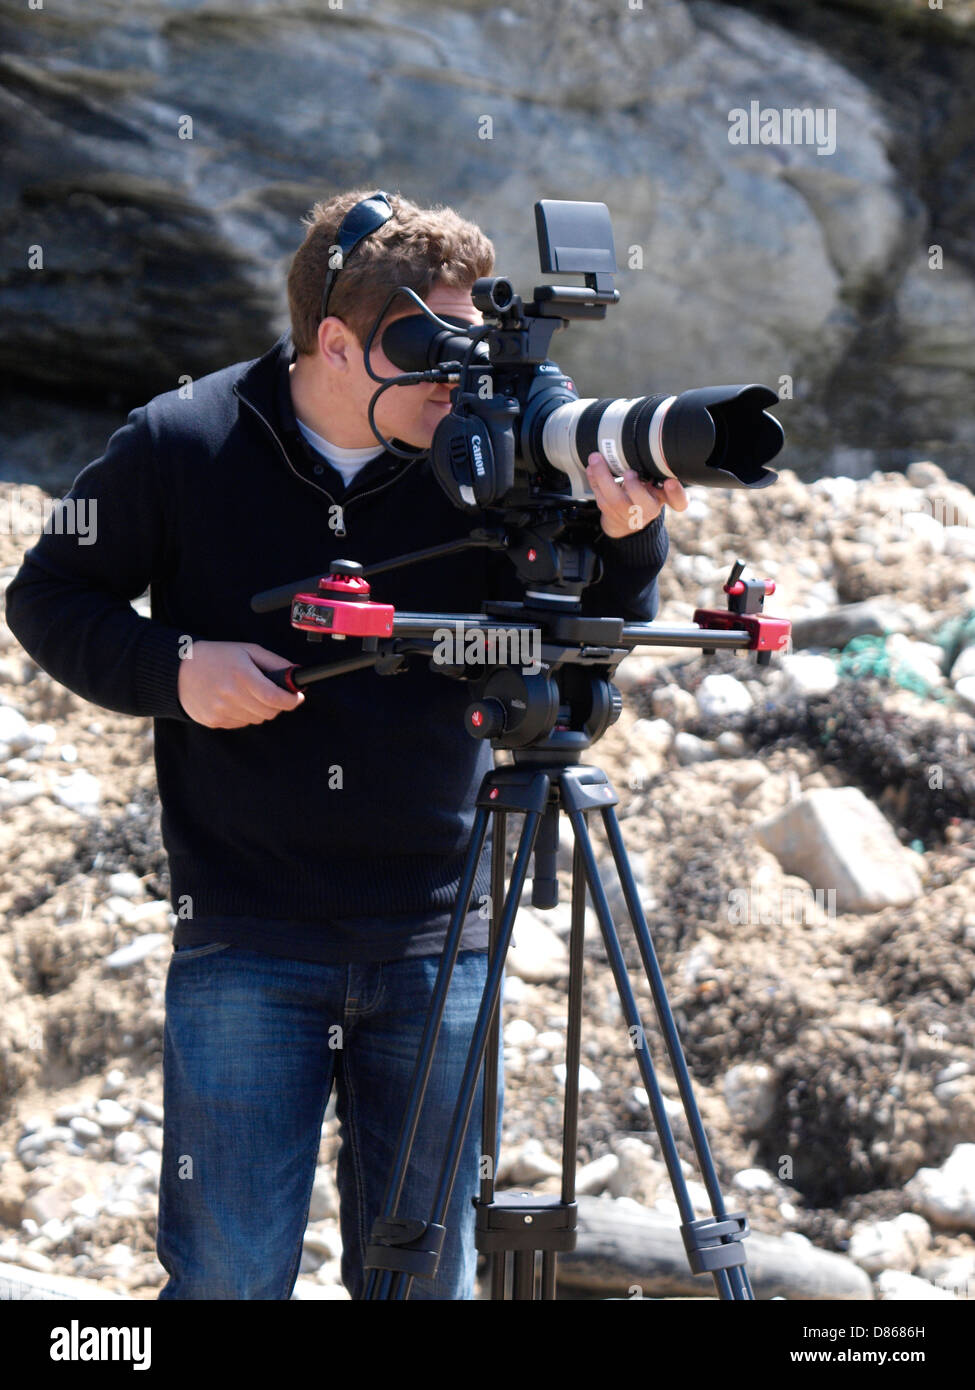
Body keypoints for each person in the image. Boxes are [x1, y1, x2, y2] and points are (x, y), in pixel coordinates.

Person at [3, 187, 687, 1300]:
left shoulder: (488, 458)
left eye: (473, 347)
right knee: (228, 1279)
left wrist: (631, 537)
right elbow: (47, 596)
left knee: (428, 1283)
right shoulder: (185, 440)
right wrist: (178, 668)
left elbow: (579, 645)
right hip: (246, 932)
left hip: (439, 936)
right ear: (335, 340)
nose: (459, 379)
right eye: (432, 349)